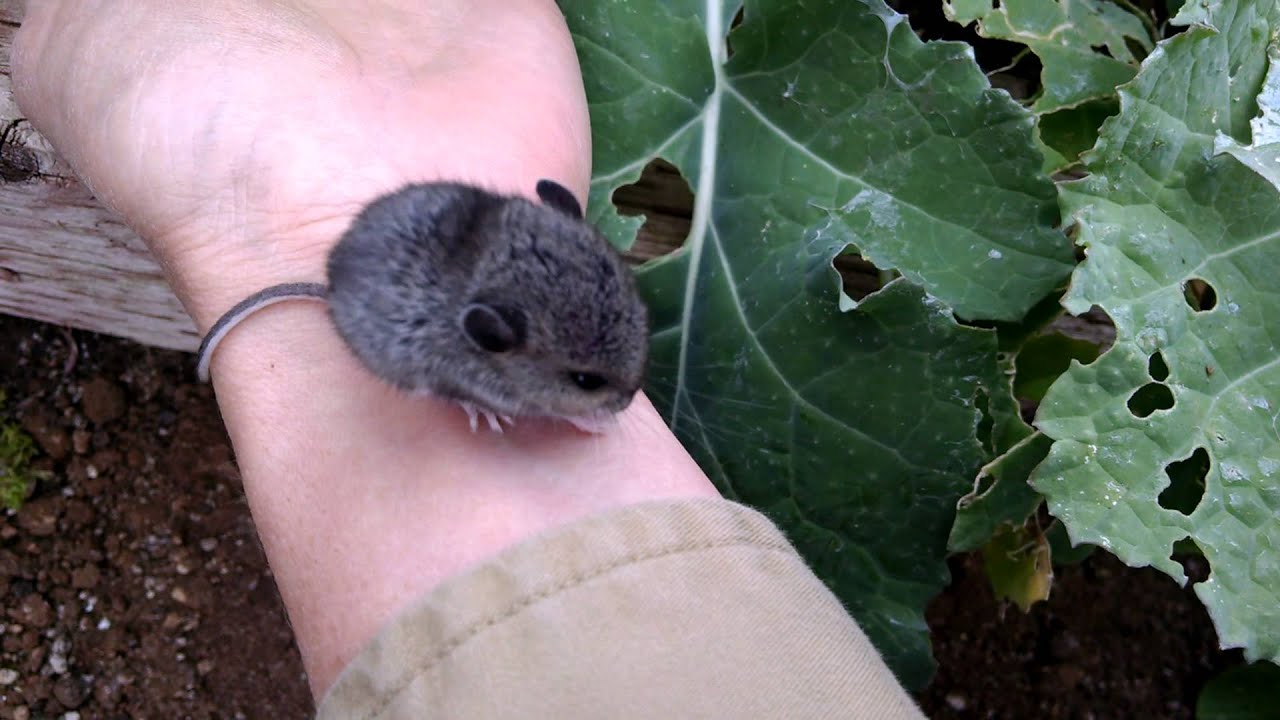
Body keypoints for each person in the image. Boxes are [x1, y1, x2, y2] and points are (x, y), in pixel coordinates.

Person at [13, 2, 925, 717]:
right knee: (424, 362)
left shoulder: (544, 253)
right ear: (494, 341)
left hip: (432, 246)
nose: (612, 397)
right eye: (586, 383)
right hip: (394, 299)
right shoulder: (471, 345)